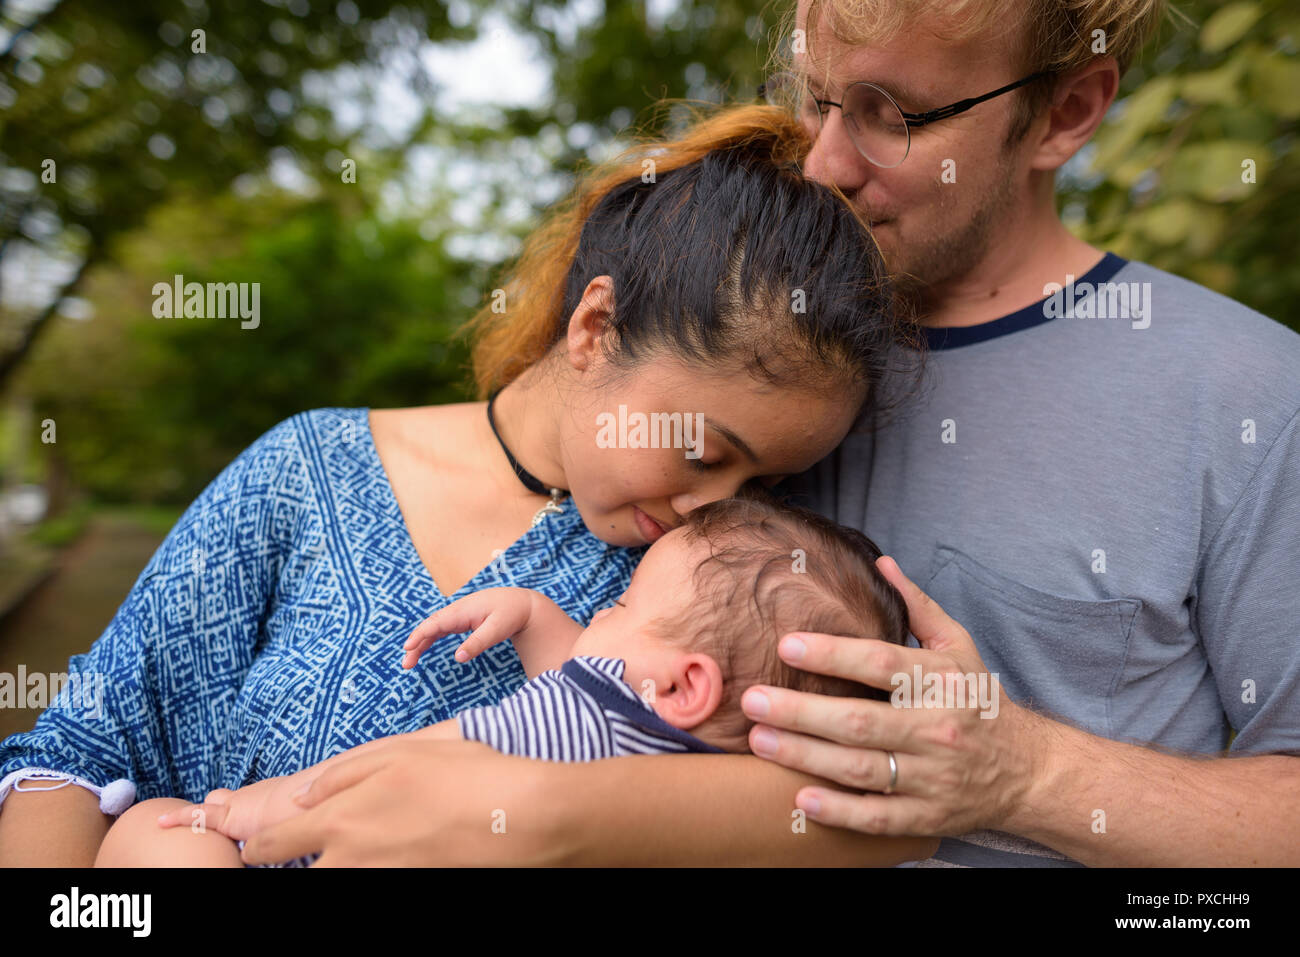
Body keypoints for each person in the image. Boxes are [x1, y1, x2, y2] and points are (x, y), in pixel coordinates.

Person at [233, 0, 1300, 868]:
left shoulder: (1247, 396)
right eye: (819, 96)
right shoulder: (730, 351)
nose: (826, 159)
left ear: (1067, 113)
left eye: (891, 113)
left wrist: (1026, 774)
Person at [0, 104, 931, 868]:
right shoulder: (308, 470)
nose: (714, 504)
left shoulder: (719, 594)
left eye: (765, 478)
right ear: (595, 327)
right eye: (701, 451)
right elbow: (80, 750)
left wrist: (536, 812)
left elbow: (873, 809)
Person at [93, 496, 922, 866]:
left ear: (685, 687)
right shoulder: (677, 778)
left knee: (152, 833)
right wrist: (531, 610)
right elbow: (585, 679)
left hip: (320, 835)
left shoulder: (553, 736)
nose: (601, 614)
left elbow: (391, 773)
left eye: (624, 603)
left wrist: (229, 812)